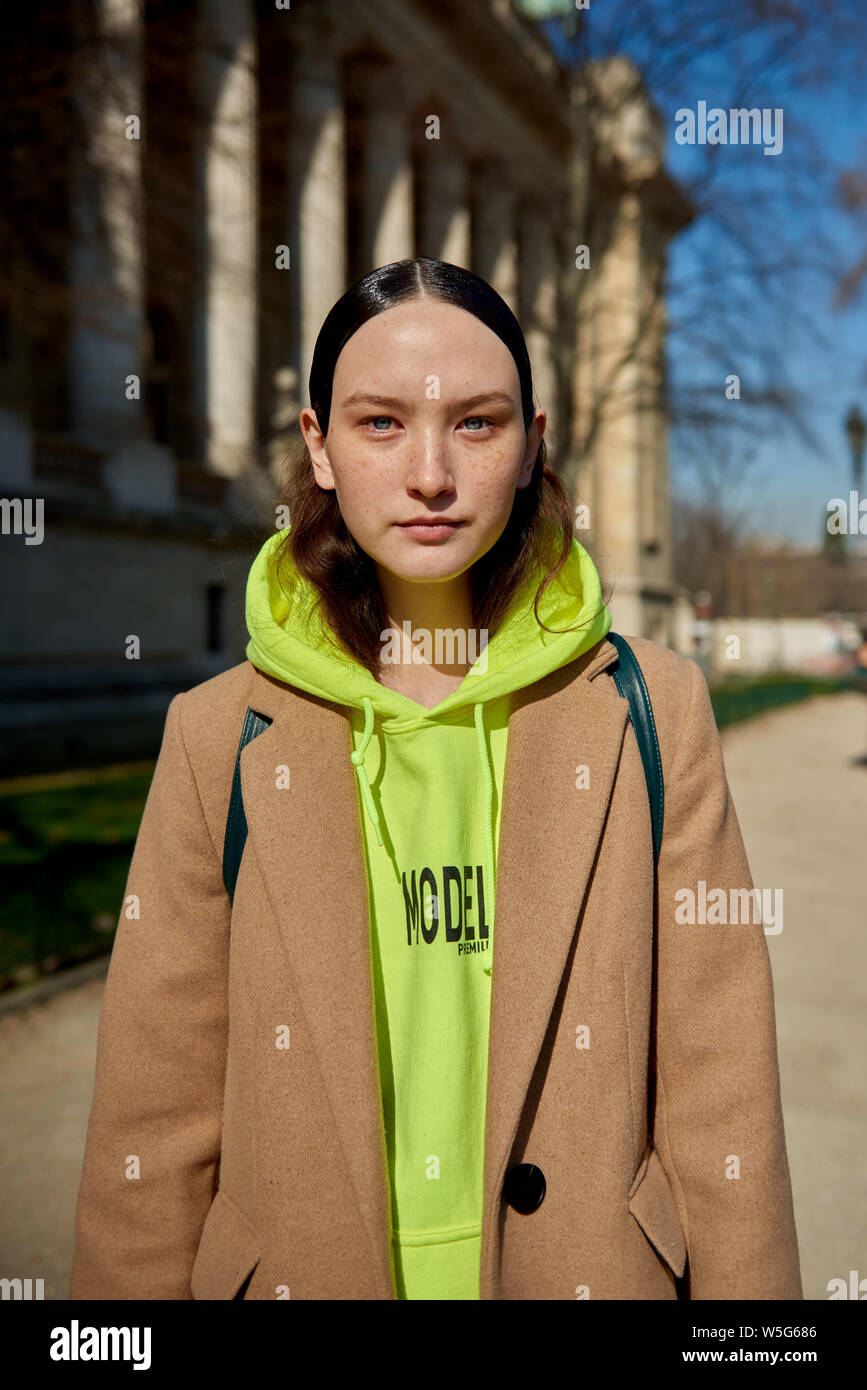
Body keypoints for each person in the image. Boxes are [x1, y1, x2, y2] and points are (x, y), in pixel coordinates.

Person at [69, 258, 802, 1300]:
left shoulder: (654, 708)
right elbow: (151, 1126)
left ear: (532, 443)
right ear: (318, 448)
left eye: (476, 423)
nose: (429, 474)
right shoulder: (216, 734)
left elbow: (723, 1094)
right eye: (378, 424)